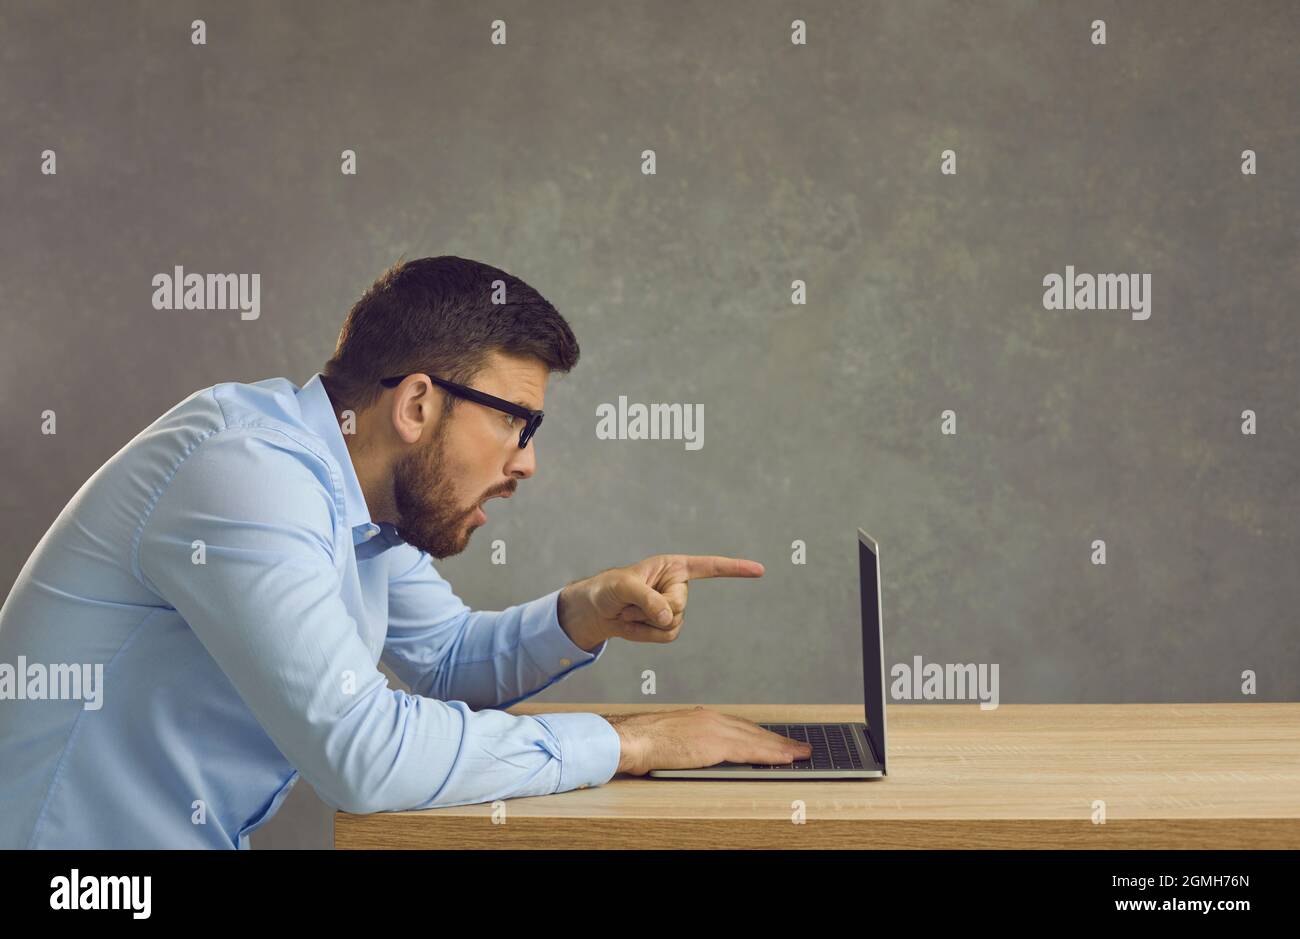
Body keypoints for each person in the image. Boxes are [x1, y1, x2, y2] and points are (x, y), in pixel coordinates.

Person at [0, 255, 810, 849]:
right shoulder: (247, 475)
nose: (526, 460)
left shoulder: (358, 502)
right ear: (418, 402)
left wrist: (584, 612)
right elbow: (363, 752)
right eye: (515, 422)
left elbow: (450, 660)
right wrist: (633, 743)